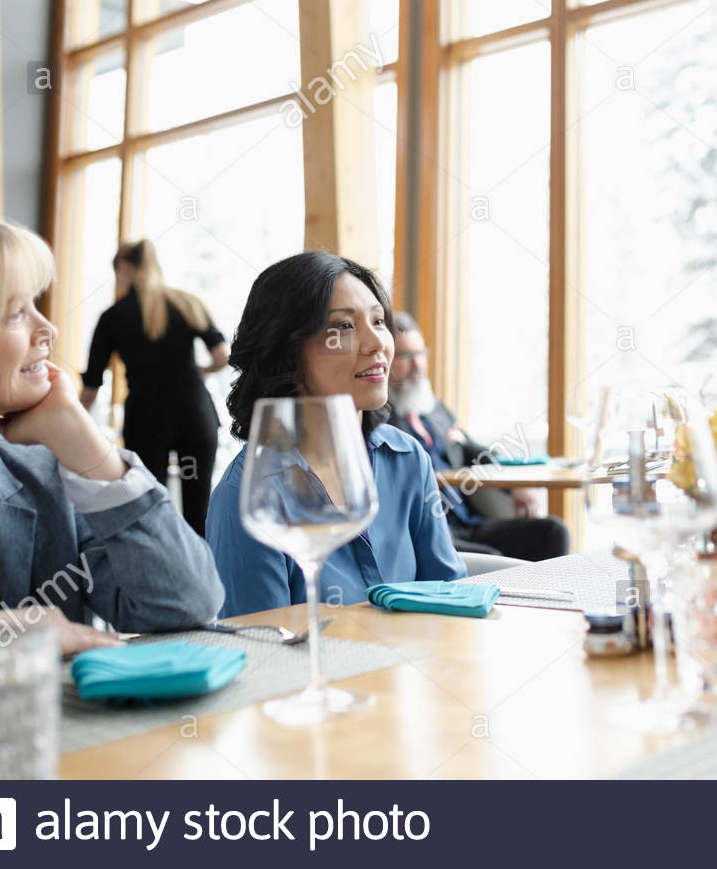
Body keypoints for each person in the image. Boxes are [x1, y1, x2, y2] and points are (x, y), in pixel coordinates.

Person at [0, 203, 224, 637]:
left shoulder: (43, 479)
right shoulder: (184, 305)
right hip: (196, 420)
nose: (49, 328)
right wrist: (7, 637)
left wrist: (85, 439)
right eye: (15, 313)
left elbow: (187, 603)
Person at [206, 253, 466, 618]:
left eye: (378, 321)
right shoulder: (247, 496)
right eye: (344, 327)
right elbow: (262, 644)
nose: (377, 343)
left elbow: (451, 599)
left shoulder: (407, 458)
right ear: (287, 351)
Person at [387, 311, 569, 561]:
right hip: (430, 530)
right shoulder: (381, 418)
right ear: (387, 360)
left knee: (553, 532)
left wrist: (514, 483)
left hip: (467, 523)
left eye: (421, 354)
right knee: (493, 557)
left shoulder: (436, 411)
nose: (417, 365)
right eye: (406, 356)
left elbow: (474, 451)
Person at [80, 239, 228, 536]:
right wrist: (201, 371)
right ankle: (201, 567)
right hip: (195, 415)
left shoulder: (113, 317)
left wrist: (72, 421)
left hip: (147, 420)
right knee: (198, 513)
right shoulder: (186, 303)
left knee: (151, 512)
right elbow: (223, 356)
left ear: (124, 268)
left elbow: (92, 385)